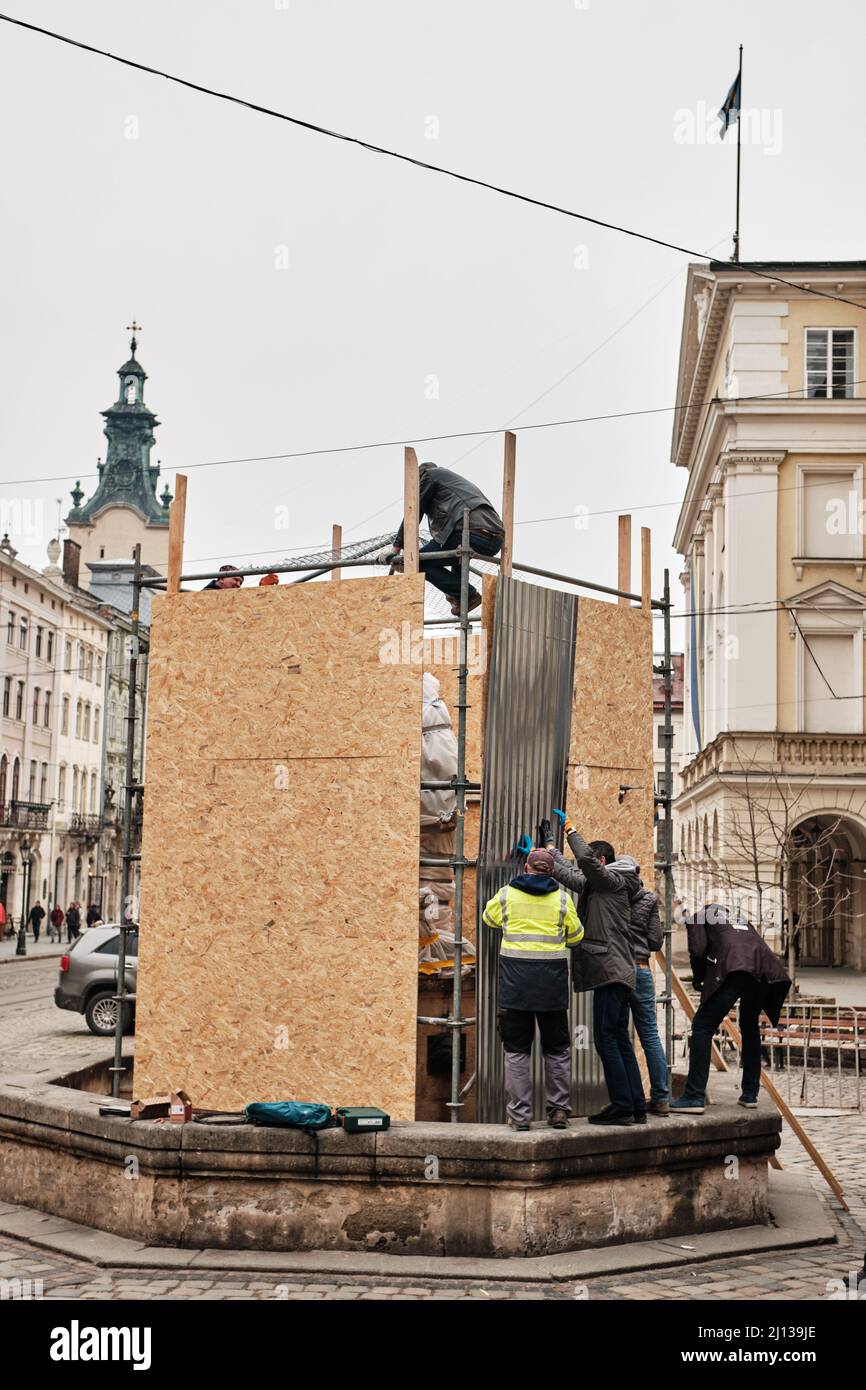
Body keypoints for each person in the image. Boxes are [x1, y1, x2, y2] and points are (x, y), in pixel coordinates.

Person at [543, 813, 646, 1125]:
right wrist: (547, 852)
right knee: (618, 1037)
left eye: (595, 862)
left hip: (612, 971)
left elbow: (585, 864)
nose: (591, 866)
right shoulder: (601, 885)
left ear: (603, 861)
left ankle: (622, 1105)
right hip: (614, 970)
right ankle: (635, 1105)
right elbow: (573, 875)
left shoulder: (614, 881)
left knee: (605, 1038)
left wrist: (570, 829)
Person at [482, 847, 583, 1131]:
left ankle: (520, 1117)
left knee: (516, 1052)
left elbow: (489, 919)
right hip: (551, 988)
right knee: (557, 1050)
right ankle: (559, 1111)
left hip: (516, 987)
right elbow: (576, 936)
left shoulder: (506, 895)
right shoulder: (562, 900)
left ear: (526, 868)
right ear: (551, 873)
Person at [671, 904, 791, 1113]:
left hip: (735, 969)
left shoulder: (699, 917)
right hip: (763, 973)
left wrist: (699, 979)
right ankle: (750, 1093)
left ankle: (694, 1096)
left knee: (702, 1026)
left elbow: (697, 950)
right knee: (749, 1025)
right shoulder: (738, 918)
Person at [375, 462, 504, 615]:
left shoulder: (430, 475)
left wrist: (396, 548)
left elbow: (414, 512)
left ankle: (467, 594)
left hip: (469, 531)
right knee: (458, 556)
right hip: (494, 540)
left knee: (416, 562)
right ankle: (462, 596)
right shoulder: (456, 485)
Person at [627, 874, 670, 1116]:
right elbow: (655, 941)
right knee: (650, 1036)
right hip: (642, 969)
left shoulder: (613, 894)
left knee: (618, 1038)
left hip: (618, 970)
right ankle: (661, 1098)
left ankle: (626, 1097)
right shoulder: (649, 899)